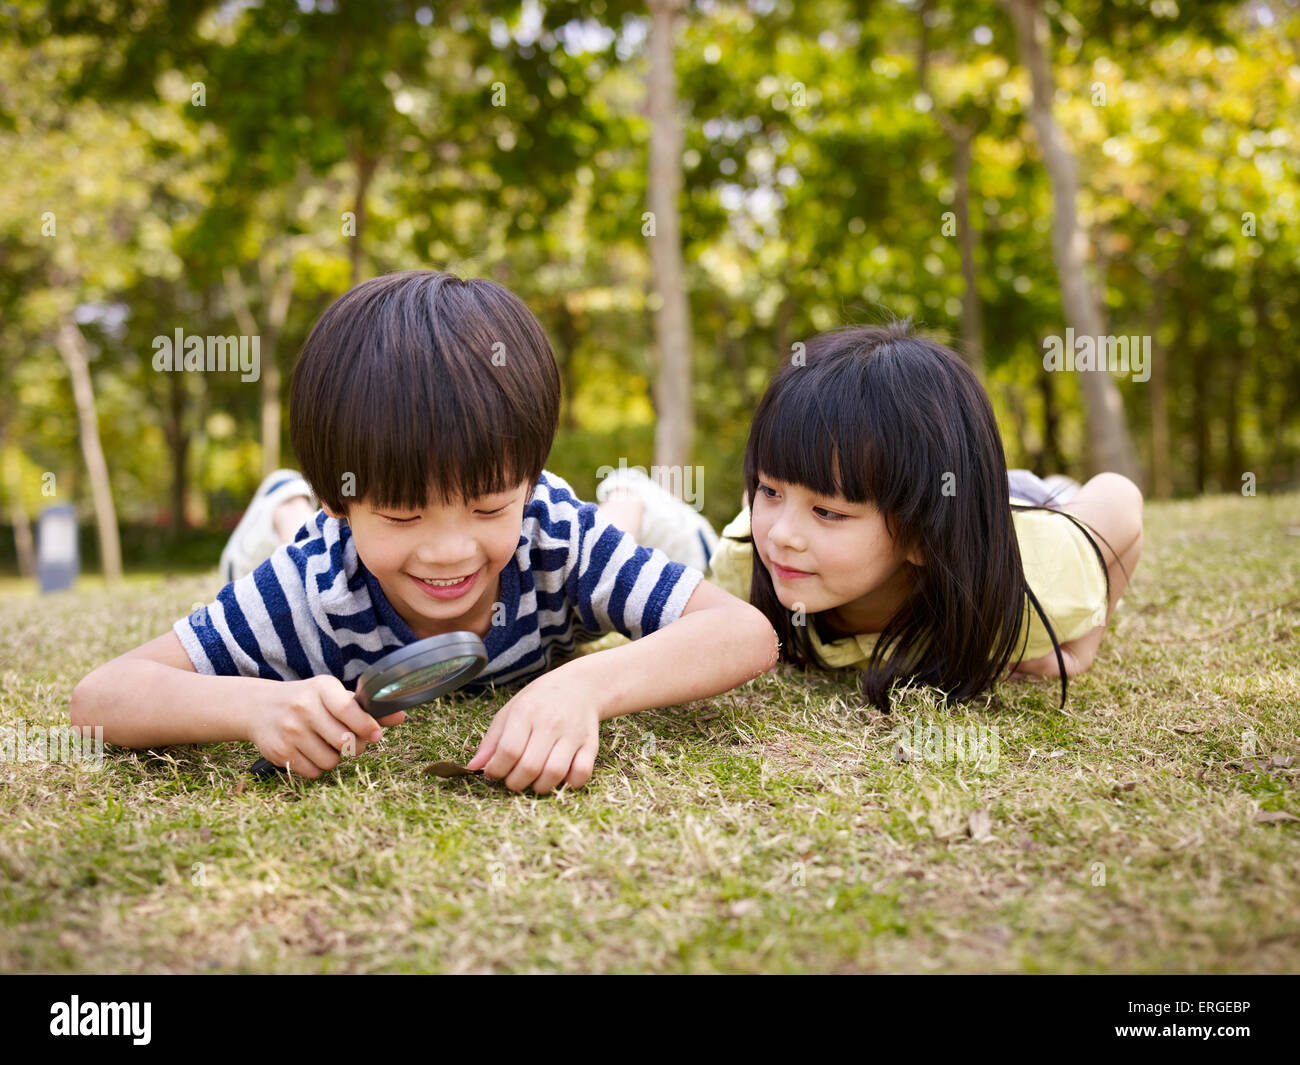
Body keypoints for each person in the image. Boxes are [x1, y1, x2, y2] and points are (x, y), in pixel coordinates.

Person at [71, 270, 777, 793]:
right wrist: (256, 705)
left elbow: (745, 633)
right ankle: (281, 502)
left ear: (529, 483)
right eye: (404, 516)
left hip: (578, 524)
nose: (449, 550)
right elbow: (99, 699)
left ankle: (629, 498)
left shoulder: (554, 532)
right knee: (282, 538)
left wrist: (585, 686)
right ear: (341, 506)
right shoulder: (310, 585)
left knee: (639, 535)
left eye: (488, 507)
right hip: (301, 534)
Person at [600, 320, 1143, 714]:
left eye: (828, 512)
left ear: (923, 536)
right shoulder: (746, 564)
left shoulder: (1038, 579)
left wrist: (1079, 648)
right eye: (769, 488)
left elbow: (1119, 501)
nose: (783, 536)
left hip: (1021, 500)